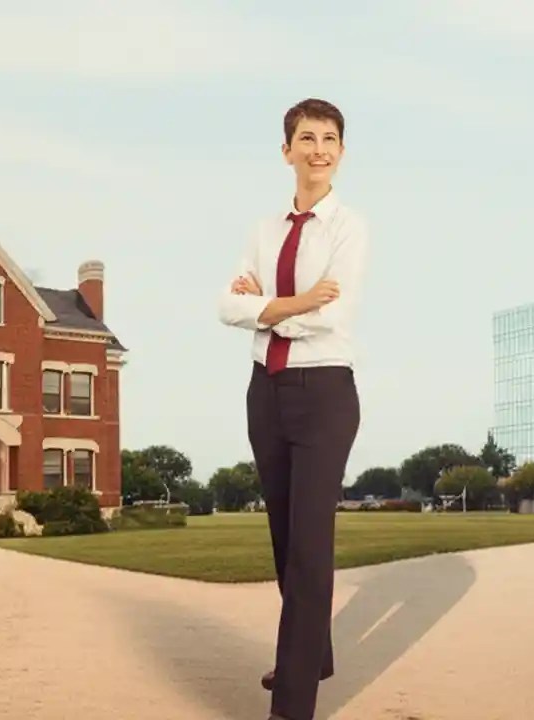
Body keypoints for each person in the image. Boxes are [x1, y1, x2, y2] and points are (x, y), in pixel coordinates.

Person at [217, 97, 368, 720]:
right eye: (307, 137)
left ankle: (294, 703)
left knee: (309, 544)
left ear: (341, 151)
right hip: (266, 394)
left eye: (330, 138)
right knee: (284, 539)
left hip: (326, 394)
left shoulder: (349, 228)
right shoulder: (263, 229)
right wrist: (294, 302)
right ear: (287, 151)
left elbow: (334, 316)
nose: (319, 149)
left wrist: (269, 309)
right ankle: (315, 649)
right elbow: (227, 306)